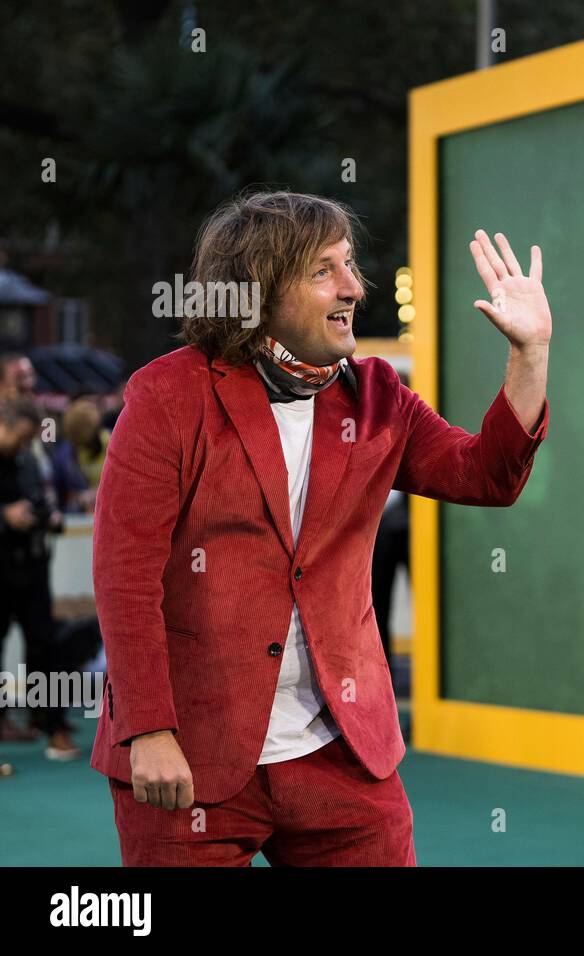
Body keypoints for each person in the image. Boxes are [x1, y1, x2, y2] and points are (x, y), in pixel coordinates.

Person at [91, 190, 551, 866]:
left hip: (341, 755)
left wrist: (531, 353)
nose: (354, 287)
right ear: (260, 291)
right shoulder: (168, 396)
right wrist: (148, 730)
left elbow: (486, 476)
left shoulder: (378, 396)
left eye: (351, 264)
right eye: (324, 271)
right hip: (192, 753)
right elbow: (124, 576)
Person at [0, 396, 80, 758]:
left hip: (31, 567)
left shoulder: (28, 459)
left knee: (44, 645)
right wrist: (5, 515)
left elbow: (43, 501)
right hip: (3, 567)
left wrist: (49, 516)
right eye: (21, 436)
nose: (24, 443)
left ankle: (49, 723)